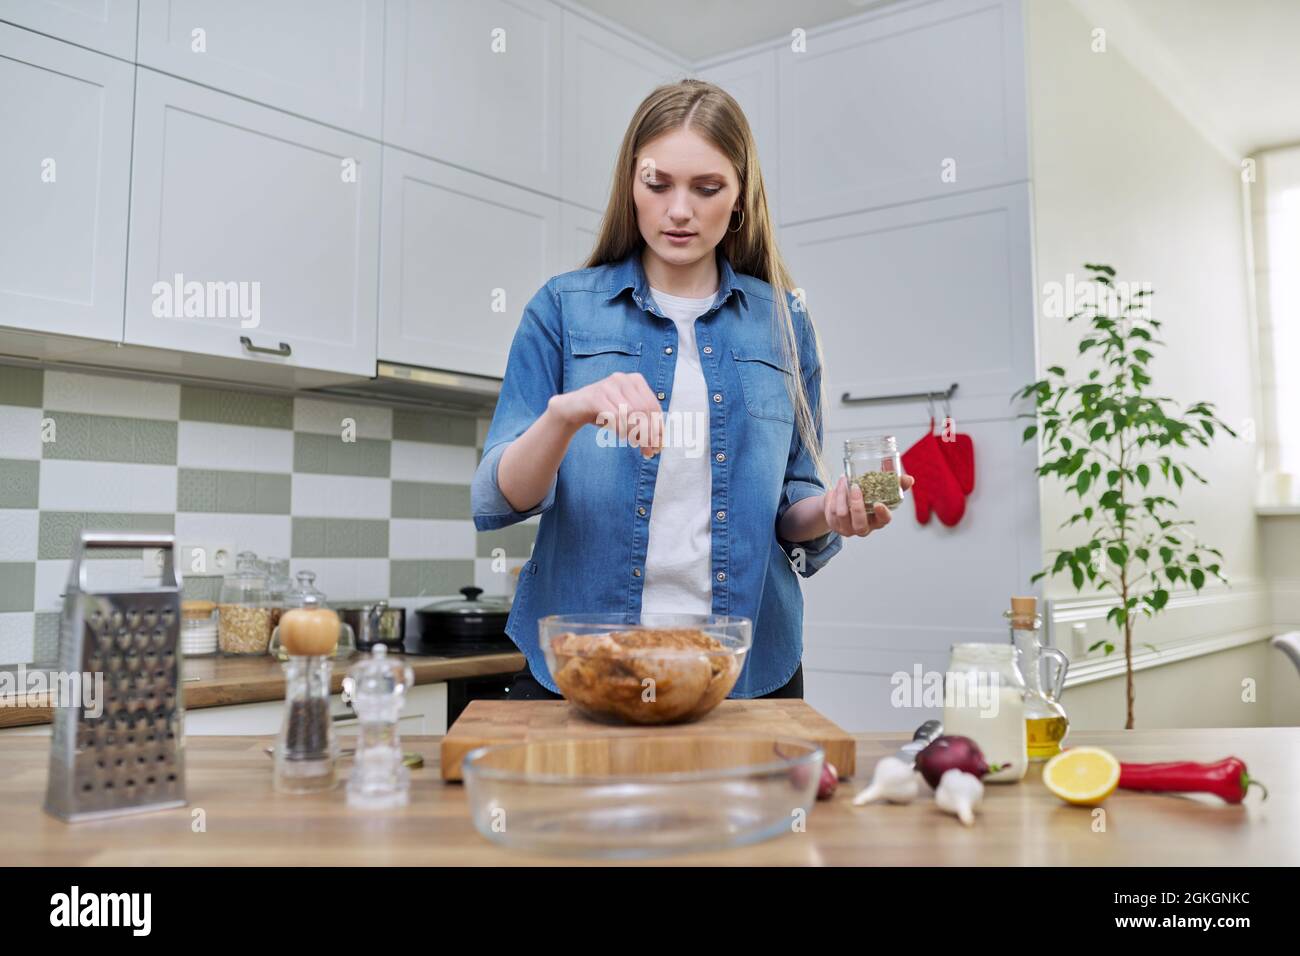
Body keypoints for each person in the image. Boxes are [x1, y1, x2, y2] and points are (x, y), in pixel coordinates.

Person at [471, 79, 913, 701]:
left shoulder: (785, 322)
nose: (680, 210)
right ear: (632, 186)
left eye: (707, 188)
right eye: (658, 184)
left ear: (739, 199)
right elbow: (501, 496)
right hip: (588, 662)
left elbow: (796, 506)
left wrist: (835, 511)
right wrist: (567, 414)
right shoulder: (562, 310)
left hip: (744, 667)